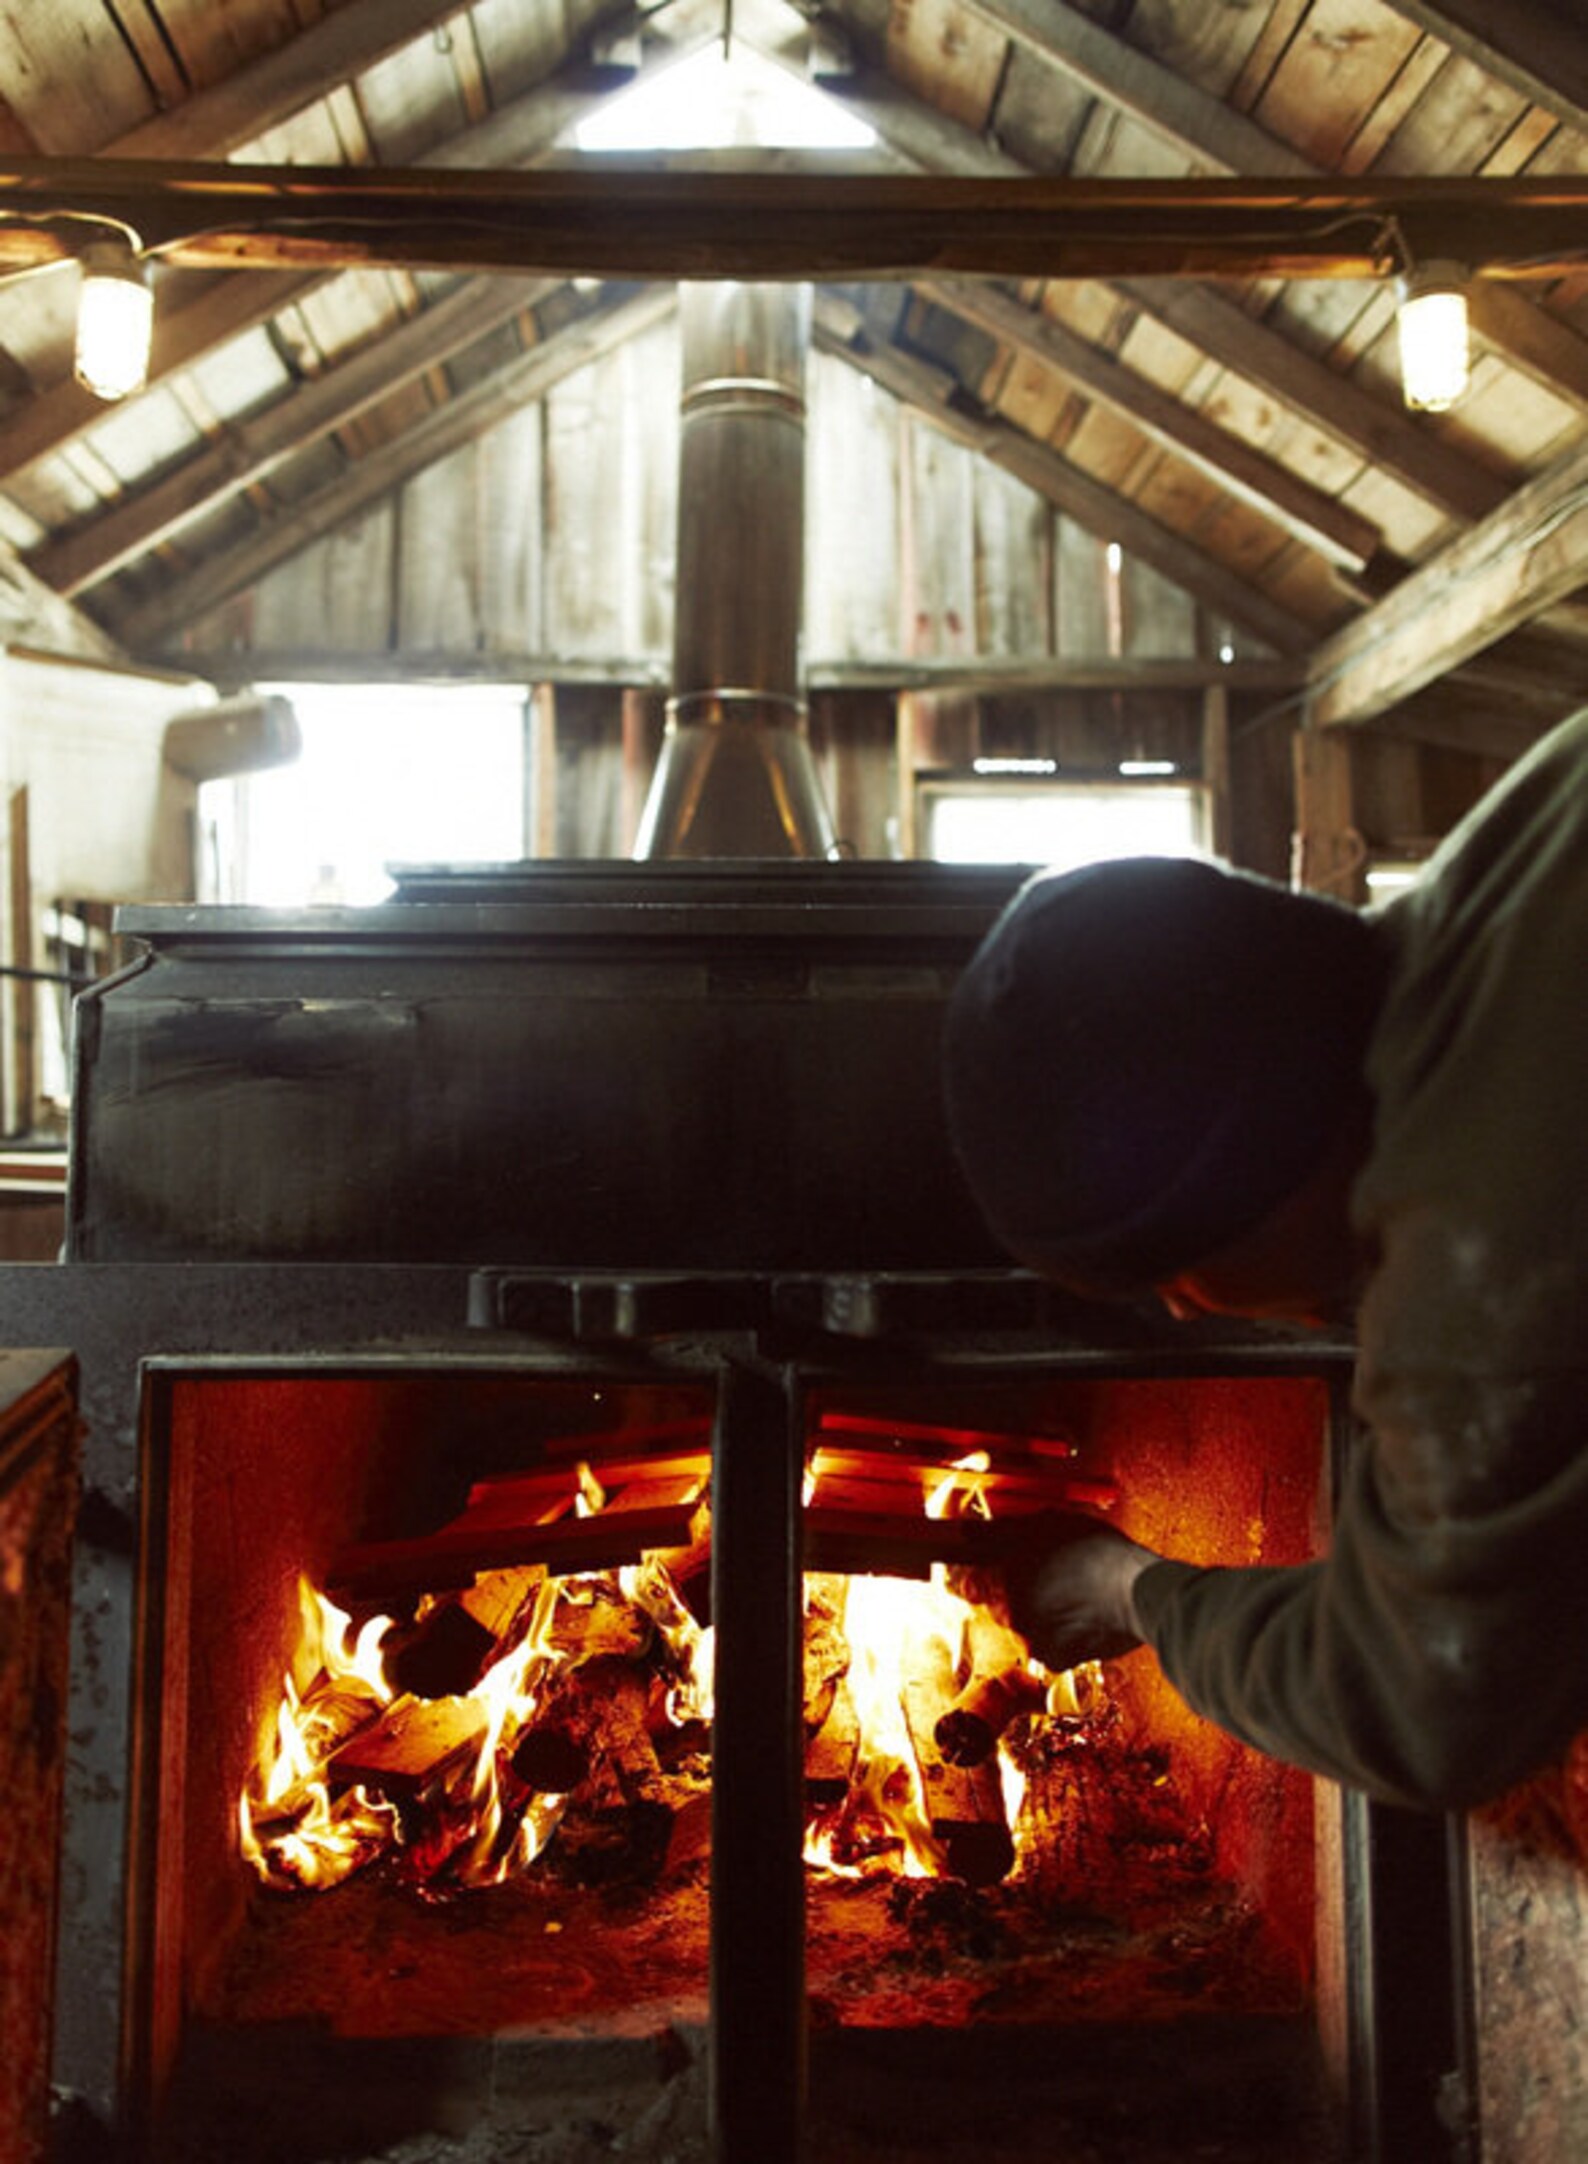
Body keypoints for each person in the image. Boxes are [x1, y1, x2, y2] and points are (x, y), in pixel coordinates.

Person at [941, 706, 1588, 1812]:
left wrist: (1135, 1589)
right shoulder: (1523, 844)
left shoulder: (1473, 1243)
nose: (1186, 1313)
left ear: (1253, 1185)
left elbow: (1419, 1703)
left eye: (1170, 1268)